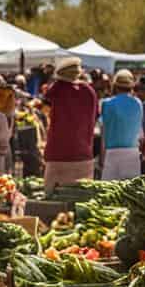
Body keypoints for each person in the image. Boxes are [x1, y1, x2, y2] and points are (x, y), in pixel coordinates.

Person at [41, 56, 99, 192]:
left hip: (58, 154)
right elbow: (95, 116)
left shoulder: (57, 89)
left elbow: (44, 108)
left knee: (53, 201)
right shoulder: (90, 91)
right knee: (80, 202)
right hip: (83, 154)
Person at [100, 69, 143, 181]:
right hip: (132, 152)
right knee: (130, 192)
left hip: (112, 152)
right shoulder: (138, 103)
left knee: (109, 190)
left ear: (115, 85)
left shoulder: (107, 103)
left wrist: (101, 155)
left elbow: (104, 131)